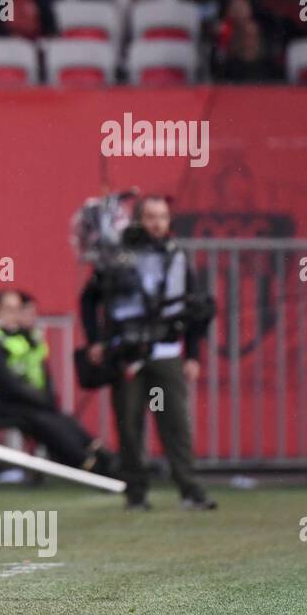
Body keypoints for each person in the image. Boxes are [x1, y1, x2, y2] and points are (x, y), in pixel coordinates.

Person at [80, 195, 216, 511]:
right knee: (129, 424)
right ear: (138, 221)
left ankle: (190, 489)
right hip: (127, 352)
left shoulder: (177, 256)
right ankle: (136, 492)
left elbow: (194, 308)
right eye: (151, 216)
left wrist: (193, 353)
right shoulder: (118, 255)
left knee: (176, 424)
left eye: (163, 216)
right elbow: (90, 298)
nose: (157, 223)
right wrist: (95, 340)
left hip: (166, 350)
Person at [0, 288, 116, 475]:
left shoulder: (24, 338)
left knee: (60, 418)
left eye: (18, 309)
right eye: (8, 309)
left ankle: (100, 455)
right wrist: (41, 400)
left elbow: (35, 375)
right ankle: (88, 465)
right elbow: (7, 385)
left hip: (21, 401)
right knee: (42, 419)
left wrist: (45, 399)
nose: (14, 315)